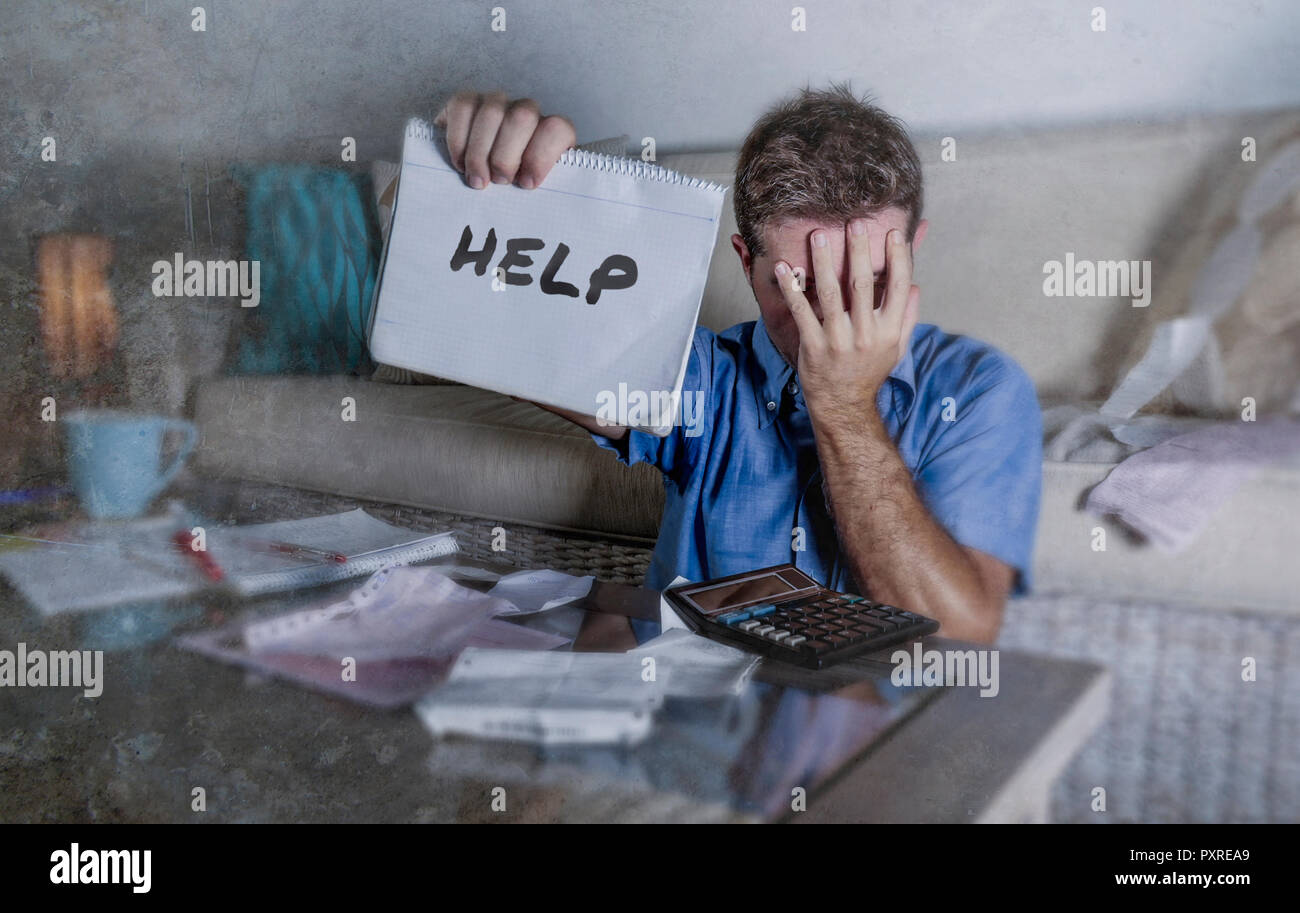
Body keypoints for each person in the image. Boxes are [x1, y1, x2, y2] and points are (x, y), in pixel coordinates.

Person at [433, 86, 1042, 644]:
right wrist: (477, 193)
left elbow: (958, 636)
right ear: (745, 261)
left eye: (872, 280)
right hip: (684, 724)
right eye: (799, 286)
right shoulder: (704, 376)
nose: (835, 322)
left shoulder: (979, 389)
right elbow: (479, 320)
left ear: (913, 248)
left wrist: (845, 403)